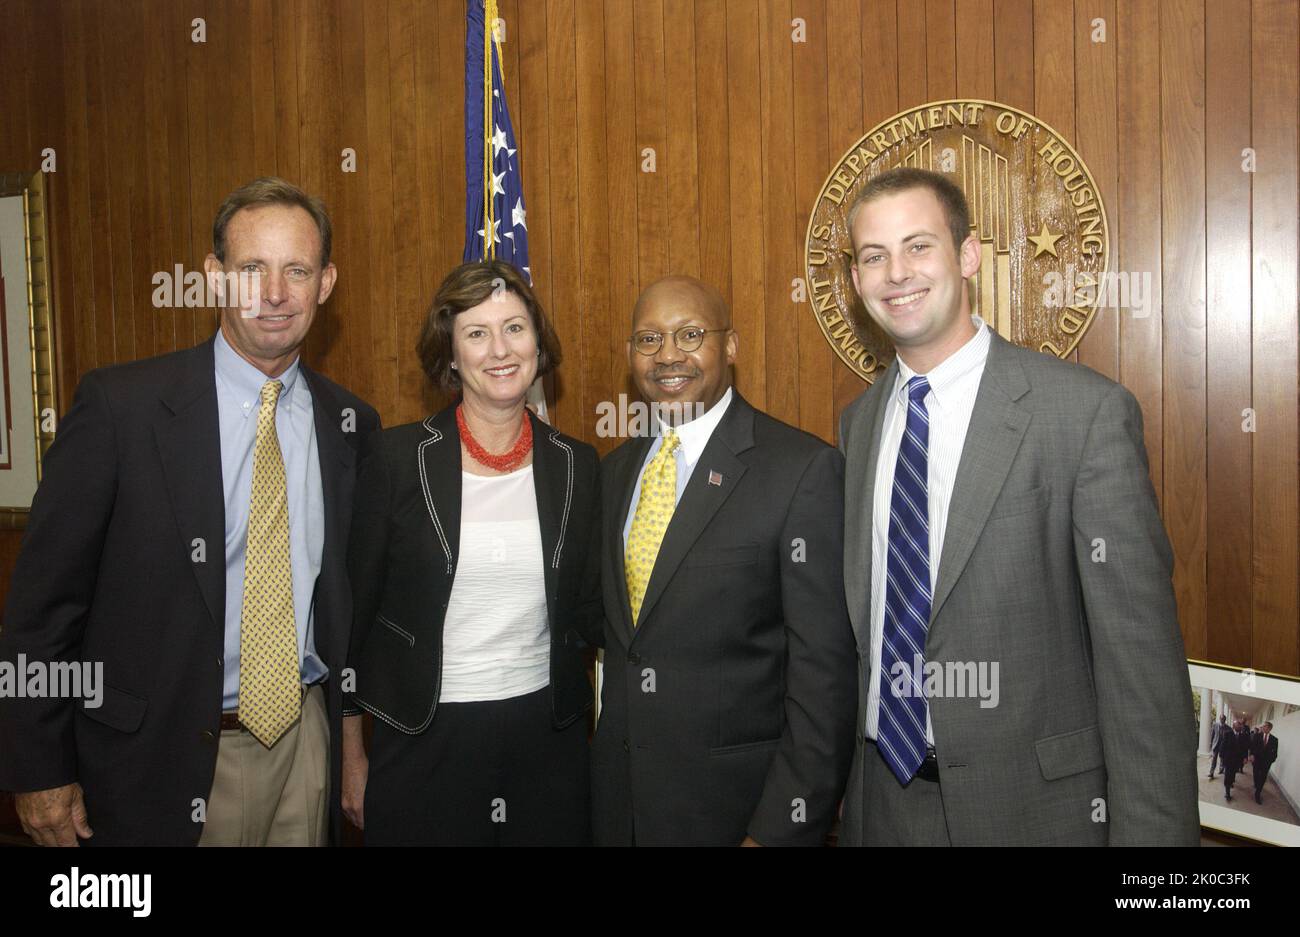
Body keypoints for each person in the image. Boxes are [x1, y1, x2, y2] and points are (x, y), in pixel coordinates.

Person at [0, 177, 380, 845]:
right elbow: (42, 607)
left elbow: (352, 607)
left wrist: (348, 747)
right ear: (212, 276)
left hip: (304, 752)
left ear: (326, 282)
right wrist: (37, 769)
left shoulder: (351, 424)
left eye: (297, 269)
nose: (274, 293)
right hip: (156, 765)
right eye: (251, 268)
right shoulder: (121, 411)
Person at [837, 167, 1199, 845]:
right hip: (881, 811)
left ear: (968, 255)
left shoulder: (1082, 415)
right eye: (873, 256)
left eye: (919, 246)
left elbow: (1142, 672)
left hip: (1036, 816)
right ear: (856, 282)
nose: (896, 273)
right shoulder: (857, 426)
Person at [341, 260, 601, 845]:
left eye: (514, 327)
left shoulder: (576, 464)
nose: (500, 349)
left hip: (547, 738)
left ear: (538, 341)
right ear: (451, 356)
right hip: (423, 736)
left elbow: (590, 607)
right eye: (476, 333)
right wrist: (351, 750)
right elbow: (352, 619)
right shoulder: (394, 461)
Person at [590, 275, 857, 846]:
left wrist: (780, 829)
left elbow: (824, 681)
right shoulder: (611, 475)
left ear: (730, 346)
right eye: (648, 339)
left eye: (690, 334)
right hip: (620, 813)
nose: (668, 356)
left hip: (738, 817)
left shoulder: (799, 471)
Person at [1250, 722, 1279, 805]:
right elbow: (1252, 747)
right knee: (1256, 775)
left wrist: (1270, 761)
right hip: (1256, 761)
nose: (1262, 727)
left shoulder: (1274, 740)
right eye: (1262, 726)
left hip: (1266, 763)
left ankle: (1257, 794)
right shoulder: (1257, 736)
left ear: (1269, 728)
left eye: (1264, 726)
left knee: (1262, 778)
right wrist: (1251, 755)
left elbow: (1275, 753)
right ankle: (1256, 784)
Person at [1223, 721, 1250, 801]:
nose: (1240, 726)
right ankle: (1227, 792)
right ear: (1234, 726)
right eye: (1238, 725)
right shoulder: (1228, 734)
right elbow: (1223, 745)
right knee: (1227, 775)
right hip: (1228, 759)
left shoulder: (1244, 736)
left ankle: (1231, 782)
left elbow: (1245, 748)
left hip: (1237, 760)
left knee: (1233, 773)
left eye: (1240, 725)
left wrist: (1245, 758)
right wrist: (1222, 757)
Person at [1209, 714, 1229, 778]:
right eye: (1221, 718)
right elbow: (1212, 734)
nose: (1222, 720)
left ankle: (1221, 769)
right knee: (1214, 759)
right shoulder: (1215, 725)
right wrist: (1211, 742)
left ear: (1225, 720)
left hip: (1223, 746)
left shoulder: (1227, 727)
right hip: (1216, 745)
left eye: (1223, 719)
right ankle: (1211, 772)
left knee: (1222, 759)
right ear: (1219, 719)